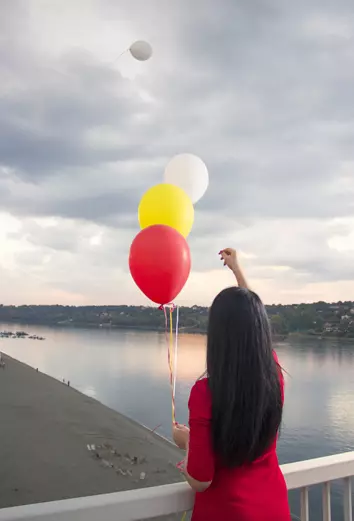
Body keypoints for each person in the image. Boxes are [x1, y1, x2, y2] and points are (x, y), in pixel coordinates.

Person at [173, 248, 290, 521]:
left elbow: (201, 480)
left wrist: (187, 440)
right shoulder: (274, 376)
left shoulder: (205, 393)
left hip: (227, 512)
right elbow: (254, 327)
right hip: (273, 507)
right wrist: (238, 272)